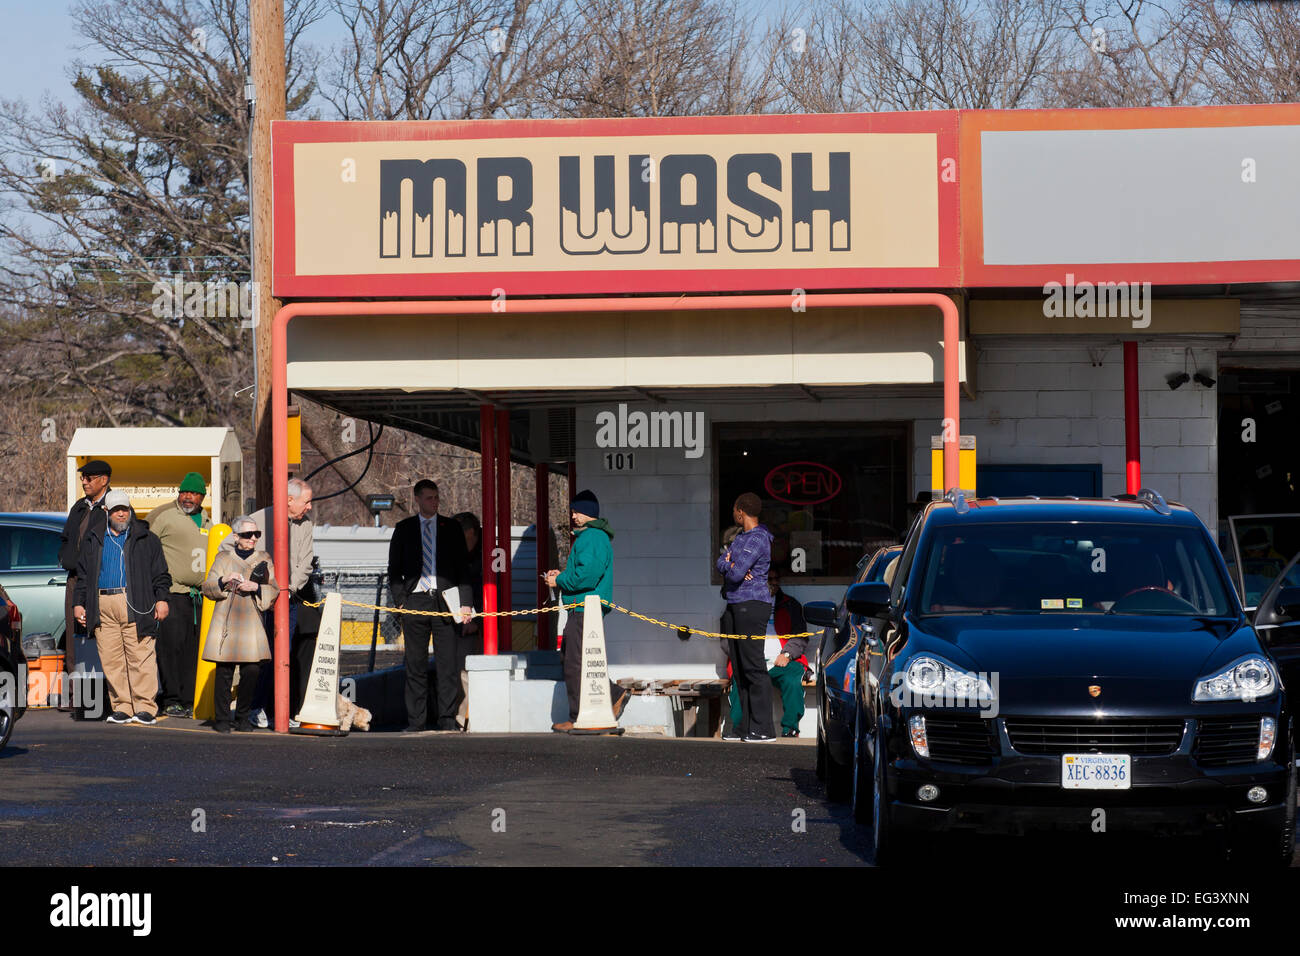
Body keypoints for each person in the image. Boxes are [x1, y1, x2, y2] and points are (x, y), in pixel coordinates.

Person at [71, 491, 171, 725]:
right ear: (107, 511)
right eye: (116, 510)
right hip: (102, 603)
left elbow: (161, 574)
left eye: (124, 509)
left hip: (136, 602)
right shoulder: (94, 538)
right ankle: (122, 707)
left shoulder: (146, 538)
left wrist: (162, 599)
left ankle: (145, 707)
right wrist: (79, 603)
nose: (121, 514)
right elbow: (83, 576)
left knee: (141, 657)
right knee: (111, 659)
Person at [388, 480, 474, 732]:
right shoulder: (404, 529)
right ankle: (416, 722)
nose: (434, 502)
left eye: (436, 497)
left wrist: (466, 604)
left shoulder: (451, 528)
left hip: (445, 601)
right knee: (415, 665)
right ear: (417, 499)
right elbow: (394, 569)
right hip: (415, 601)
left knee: (447, 665)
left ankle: (446, 720)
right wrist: (401, 601)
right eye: (429, 498)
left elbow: (463, 569)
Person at [544, 490, 629, 733]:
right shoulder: (593, 537)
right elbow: (584, 572)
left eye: (576, 511)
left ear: (588, 512)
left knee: (575, 662)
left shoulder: (592, 537)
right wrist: (563, 576)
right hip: (585, 608)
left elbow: (587, 576)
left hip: (585, 608)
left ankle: (579, 716)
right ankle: (612, 695)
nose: (573, 515)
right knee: (578, 658)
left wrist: (560, 580)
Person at [200, 516, 280, 733]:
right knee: (224, 671)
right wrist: (224, 580)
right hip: (226, 617)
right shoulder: (223, 558)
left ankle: (243, 715)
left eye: (256, 534)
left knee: (252, 669)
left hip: (251, 618)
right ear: (235, 537)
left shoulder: (264, 558)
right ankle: (222, 718)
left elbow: (274, 588)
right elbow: (207, 587)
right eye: (247, 534)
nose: (253, 538)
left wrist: (256, 587)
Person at [249, 477, 315, 727]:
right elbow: (229, 547)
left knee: (283, 655)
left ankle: (278, 711)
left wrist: (289, 589)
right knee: (263, 655)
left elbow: (305, 562)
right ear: (289, 500)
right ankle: (255, 707)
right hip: (260, 599)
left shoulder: (305, 524)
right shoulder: (259, 519)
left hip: (288, 600)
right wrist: (255, 582)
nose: (309, 507)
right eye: (306, 501)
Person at [145, 472, 212, 718]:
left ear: (202, 497)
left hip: (200, 597)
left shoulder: (209, 522)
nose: (188, 497)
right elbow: (147, 549)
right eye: (184, 492)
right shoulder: (165, 517)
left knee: (193, 651)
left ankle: (189, 698)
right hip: (172, 592)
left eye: (194, 493)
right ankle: (171, 699)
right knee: (170, 649)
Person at [716, 492, 776, 742]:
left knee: (753, 666)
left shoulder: (758, 538)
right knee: (739, 668)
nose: (733, 514)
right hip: (734, 604)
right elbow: (722, 563)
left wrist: (732, 565)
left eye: (734, 510)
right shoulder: (741, 537)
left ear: (741, 511)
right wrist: (730, 564)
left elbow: (735, 573)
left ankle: (763, 729)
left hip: (752, 605)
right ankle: (745, 726)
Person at [58, 459, 113, 690]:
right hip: (75, 578)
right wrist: (65, 557)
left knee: (100, 633)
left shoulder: (114, 506)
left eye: (89, 478)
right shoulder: (80, 506)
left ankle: (103, 691)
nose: (84, 482)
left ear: (104, 480)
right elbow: (66, 537)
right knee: (74, 634)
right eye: (83, 477)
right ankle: (77, 691)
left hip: (101, 580)